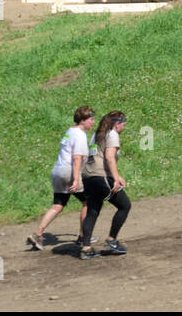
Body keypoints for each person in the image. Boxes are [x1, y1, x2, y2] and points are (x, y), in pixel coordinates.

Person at [27, 105, 93, 251]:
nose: (93, 122)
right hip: (69, 172)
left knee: (58, 205)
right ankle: (84, 237)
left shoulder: (70, 131)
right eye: (91, 119)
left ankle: (38, 234)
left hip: (57, 171)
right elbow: (77, 158)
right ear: (83, 120)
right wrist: (76, 179)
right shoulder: (80, 135)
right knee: (88, 202)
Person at [78, 110, 132, 259]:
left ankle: (86, 248)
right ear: (118, 124)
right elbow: (109, 157)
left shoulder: (97, 135)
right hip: (100, 177)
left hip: (88, 177)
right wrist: (115, 178)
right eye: (124, 125)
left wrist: (116, 175)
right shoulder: (112, 134)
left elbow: (98, 157)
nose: (124, 128)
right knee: (125, 205)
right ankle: (111, 241)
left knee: (93, 210)